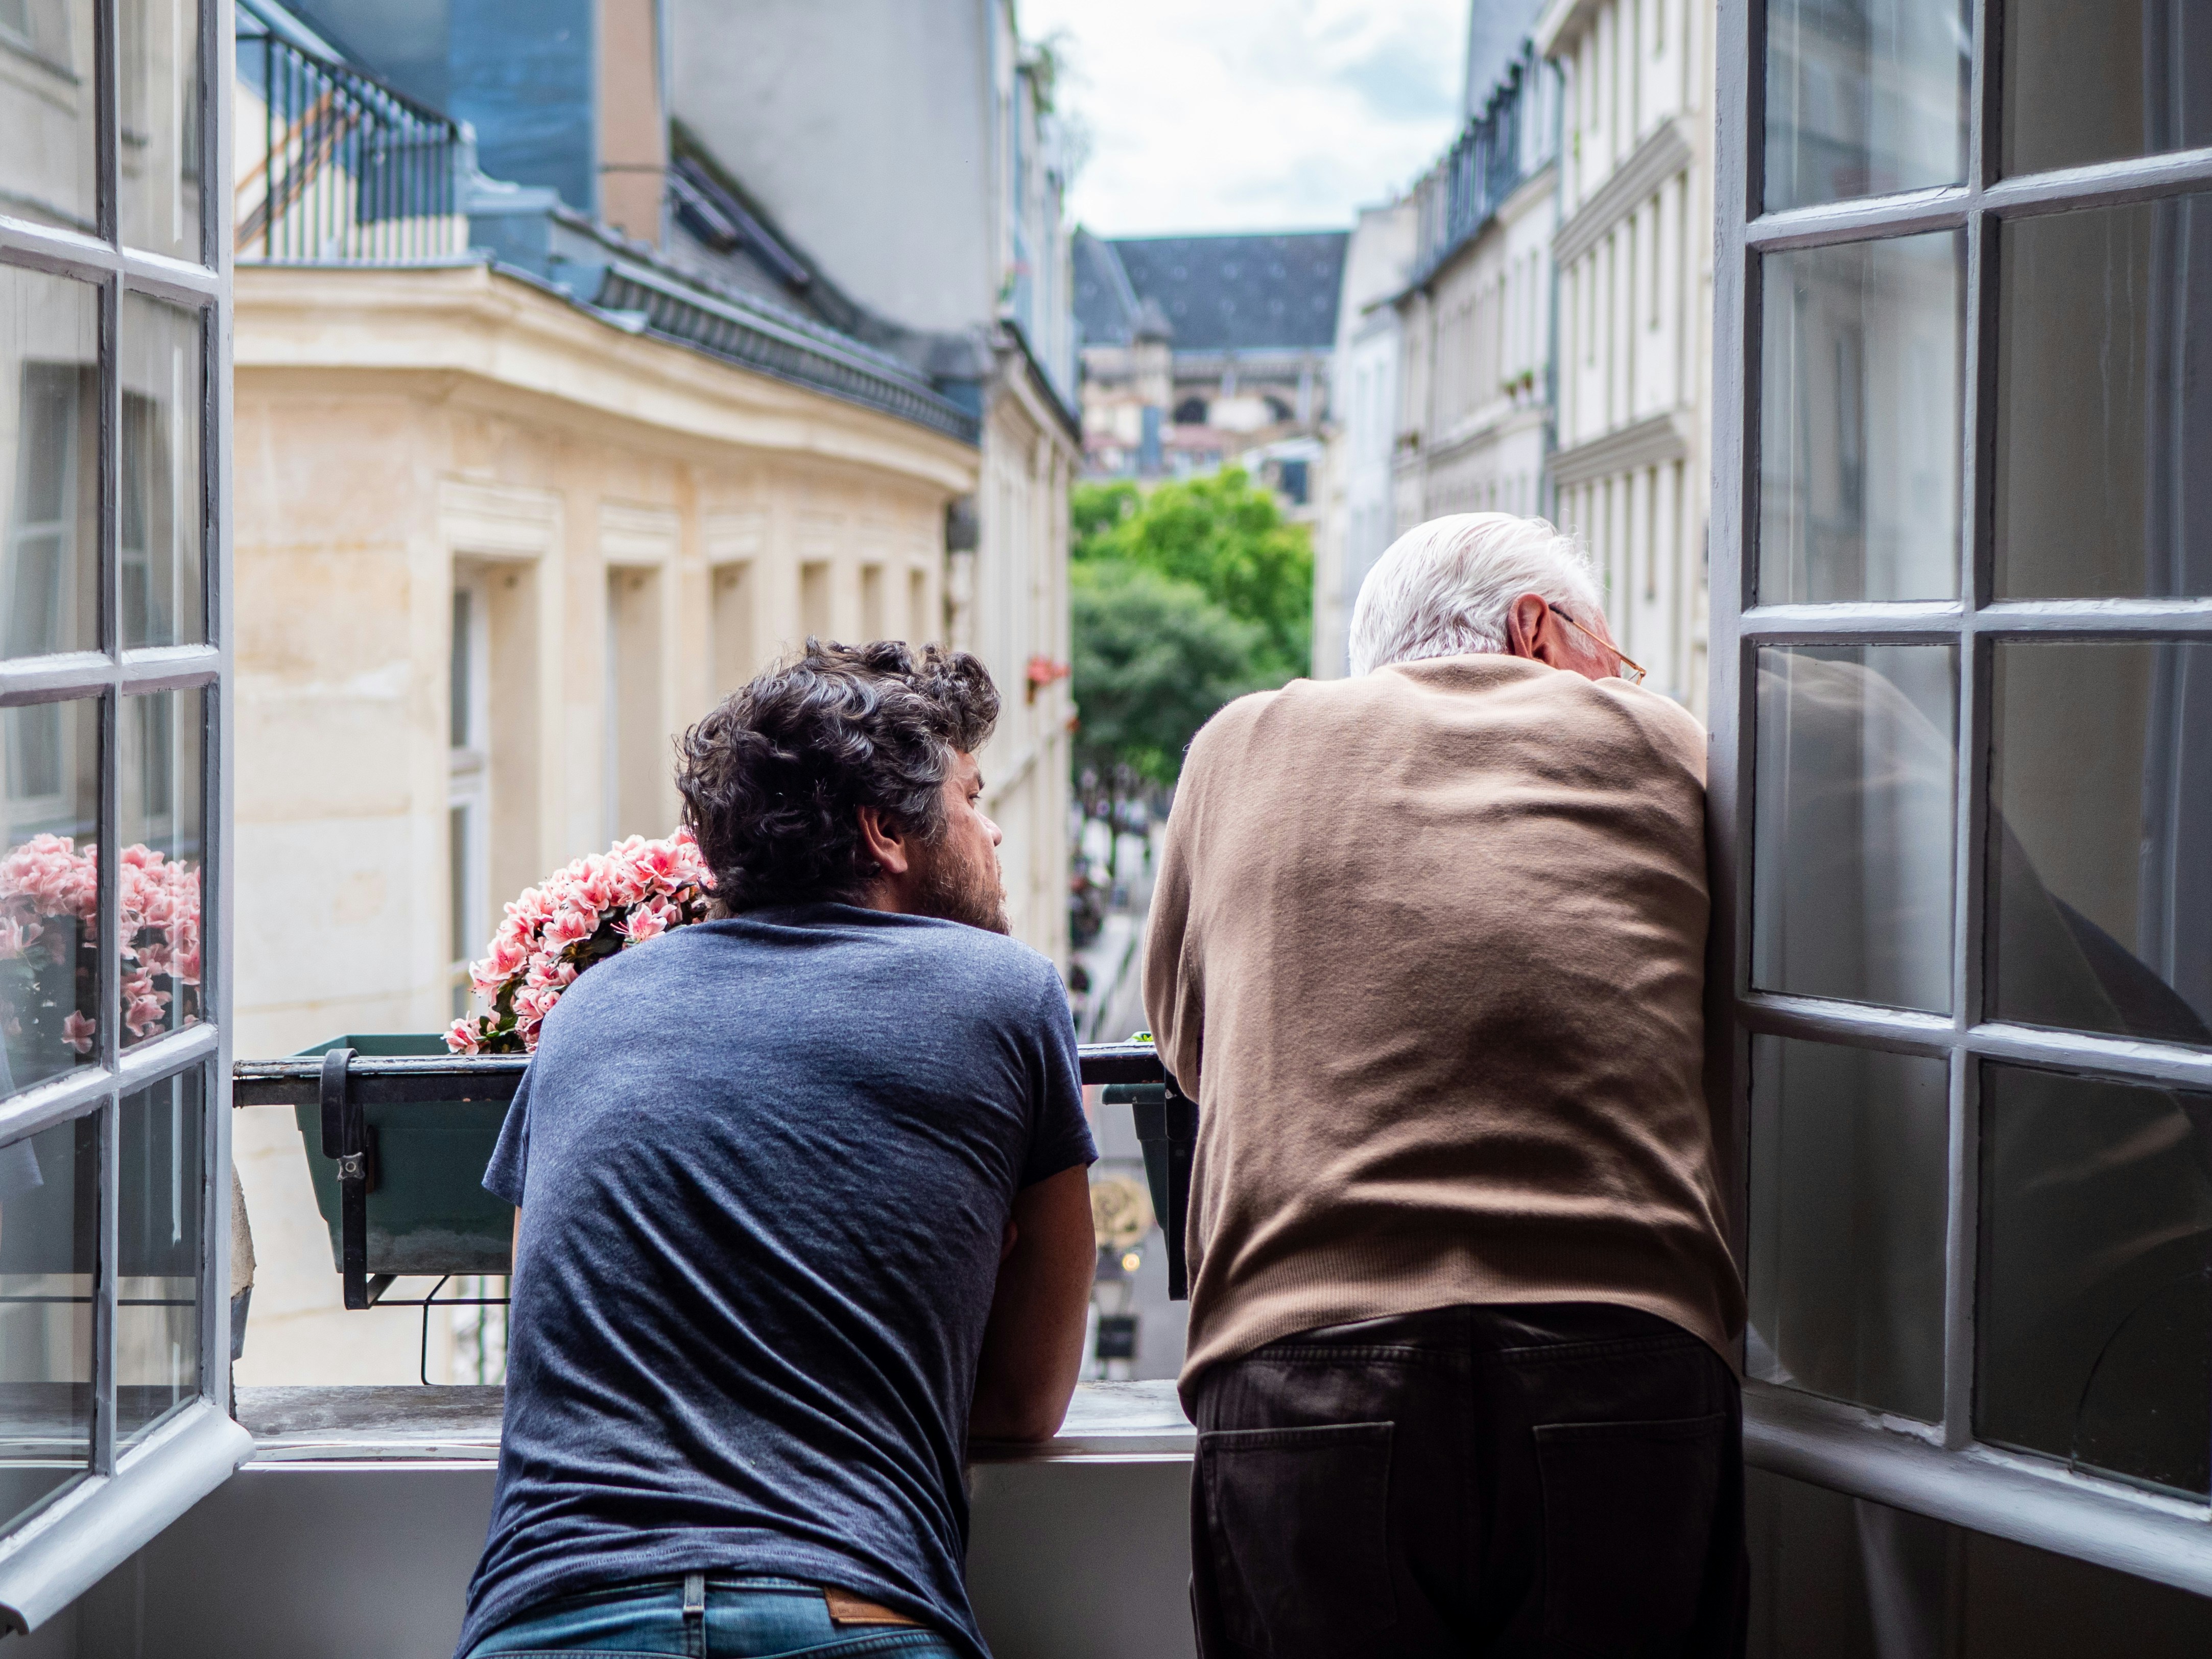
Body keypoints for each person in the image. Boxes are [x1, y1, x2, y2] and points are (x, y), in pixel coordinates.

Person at [1144, 514, 1748, 1658]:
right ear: (1536, 627)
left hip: (1304, 1362)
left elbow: (1188, 1040)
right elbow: (1734, 1027)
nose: (1617, 684)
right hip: (1621, 1359)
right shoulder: (1672, 746)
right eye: (1611, 656)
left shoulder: (1241, 747)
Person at [457, 641, 1098, 1659]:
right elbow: (1024, 1401)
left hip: (554, 1614)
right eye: (973, 799)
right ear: (887, 831)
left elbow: (543, 1334)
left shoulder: (591, 1009)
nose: (992, 829)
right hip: (850, 1606)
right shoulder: (1008, 993)